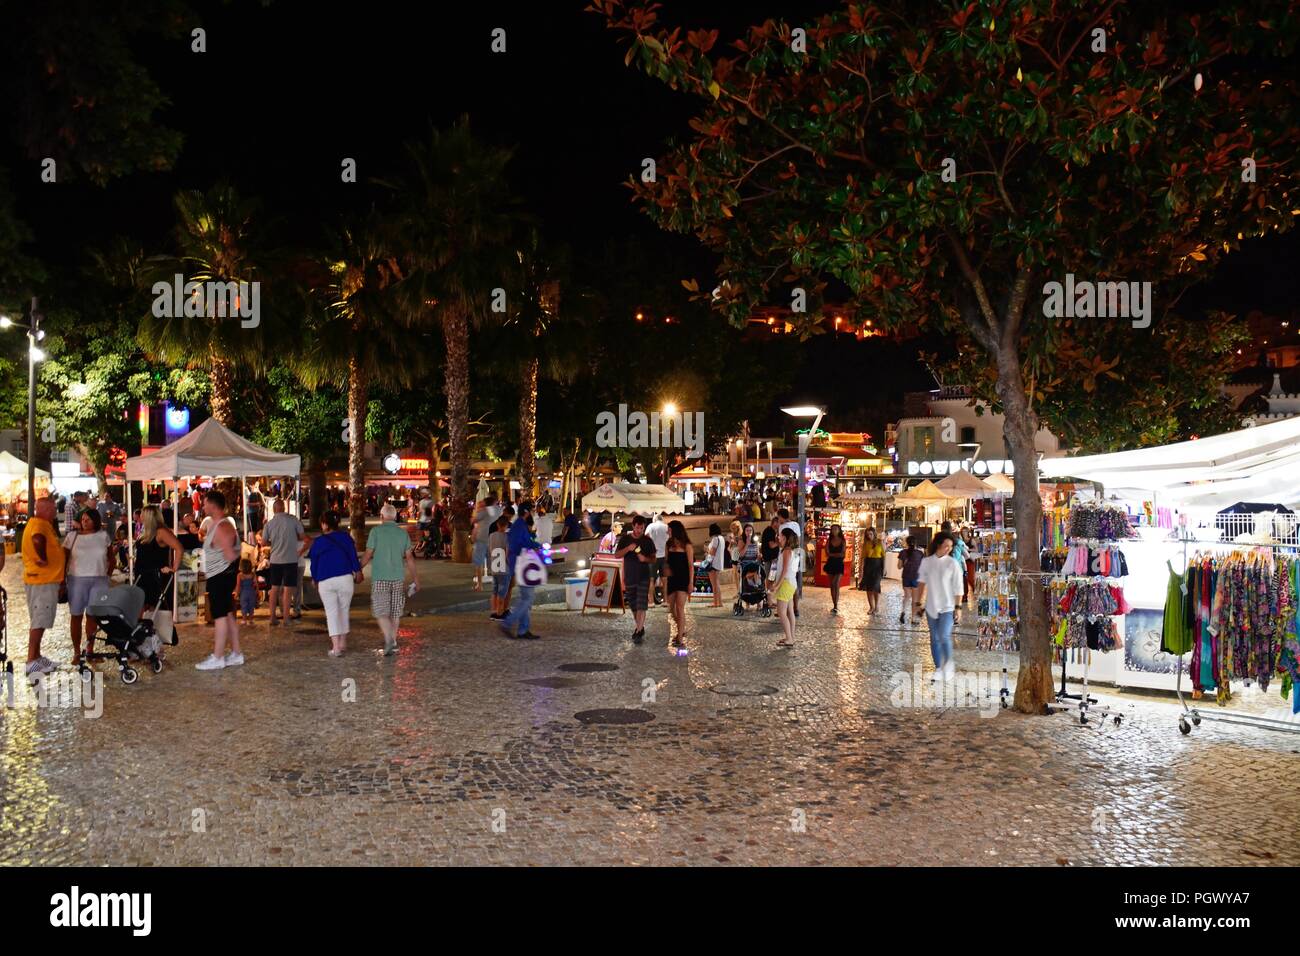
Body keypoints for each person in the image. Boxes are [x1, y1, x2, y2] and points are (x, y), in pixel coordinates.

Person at [361, 503, 418, 656]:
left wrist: (357, 568)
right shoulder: (402, 534)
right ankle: (392, 640)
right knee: (395, 612)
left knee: (381, 611)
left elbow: (367, 555)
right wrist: (415, 579)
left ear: (381, 517)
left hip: (380, 577)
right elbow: (410, 559)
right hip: (398, 577)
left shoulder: (376, 532)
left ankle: (388, 639)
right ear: (395, 517)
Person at [195, 491, 243, 671]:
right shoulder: (220, 525)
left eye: (205, 503)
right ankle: (237, 653)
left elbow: (231, 554)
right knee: (228, 614)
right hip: (221, 576)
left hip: (220, 577)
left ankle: (218, 656)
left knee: (220, 616)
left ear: (213, 505)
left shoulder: (222, 527)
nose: (203, 506)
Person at [63, 507, 114, 667]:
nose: (85, 522)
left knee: (93, 616)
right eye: (83, 519)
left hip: (99, 580)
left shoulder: (103, 536)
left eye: (88, 519)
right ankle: (77, 652)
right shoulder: (72, 537)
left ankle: (90, 650)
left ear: (95, 521)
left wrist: (107, 575)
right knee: (76, 616)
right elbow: (63, 560)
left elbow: (111, 557)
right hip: (77, 580)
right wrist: (61, 580)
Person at [307, 510, 363, 657]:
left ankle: (336, 647)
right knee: (343, 610)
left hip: (326, 580)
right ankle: (343, 642)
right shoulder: (346, 538)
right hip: (345, 578)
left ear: (325, 524)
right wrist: (357, 571)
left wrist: (315, 578)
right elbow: (353, 557)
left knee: (331, 613)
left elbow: (314, 563)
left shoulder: (319, 542)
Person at [21, 496, 64, 681]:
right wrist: (43, 557)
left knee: (41, 618)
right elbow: (37, 539)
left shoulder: (42, 523)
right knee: (39, 620)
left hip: (45, 580)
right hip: (42, 581)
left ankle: (37, 657)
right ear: (44, 509)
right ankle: (31, 659)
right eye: (53, 508)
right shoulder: (39, 525)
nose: (55, 511)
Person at [916, 532, 964, 681]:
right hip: (932, 606)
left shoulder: (953, 563)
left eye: (950, 547)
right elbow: (921, 583)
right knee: (934, 638)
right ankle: (938, 667)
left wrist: (958, 607)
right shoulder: (927, 562)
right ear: (938, 545)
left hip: (948, 607)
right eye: (946, 546)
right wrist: (918, 603)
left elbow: (958, 587)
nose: (948, 549)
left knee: (943, 635)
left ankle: (948, 664)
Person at [261, 498, 307, 628]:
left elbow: (263, 543)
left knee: (274, 589)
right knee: (288, 590)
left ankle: (272, 618)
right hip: (291, 559)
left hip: (275, 560)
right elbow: (303, 537)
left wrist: (273, 543)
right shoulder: (293, 520)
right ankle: (286, 618)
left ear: (274, 509)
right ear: (284, 508)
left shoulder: (269, 524)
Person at [498, 500, 541, 640]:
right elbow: (520, 543)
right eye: (532, 510)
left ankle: (523, 629)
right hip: (521, 563)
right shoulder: (519, 525)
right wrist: (536, 544)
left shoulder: (520, 525)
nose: (533, 513)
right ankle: (508, 623)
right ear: (526, 512)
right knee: (528, 598)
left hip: (522, 562)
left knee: (525, 598)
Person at [615, 515, 656, 643]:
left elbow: (653, 558)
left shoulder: (647, 541)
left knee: (641, 605)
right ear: (633, 526)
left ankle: (638, 631)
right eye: (637, 528)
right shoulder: (625, 539)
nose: (639, 531)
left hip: (643, 577)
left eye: (642, 528)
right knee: (633, 606)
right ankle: (640, 626)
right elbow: (617, 555)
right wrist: (628, 549)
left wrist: (645, 559)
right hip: (630, 577)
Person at [135, 505, 183, 614]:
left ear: (148, 516)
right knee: (142, 606)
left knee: (156, 607)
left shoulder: (161, 531)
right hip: (142, 574)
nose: (140, 516)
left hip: (156, 575)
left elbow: (179, 548)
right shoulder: (145, 531)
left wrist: (174, 568)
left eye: (143, 513)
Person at [664, 520, 694, 650]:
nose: (667, 532)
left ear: (675, 530)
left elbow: (690, 566)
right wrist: (665, 572)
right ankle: (681, 629)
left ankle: (679, 638)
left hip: (683, 579)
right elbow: (665, 561)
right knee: (671, 609)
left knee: (680, 608)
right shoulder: (668, 544)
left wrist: (691, 582)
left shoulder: (687, 545)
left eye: (669, 530)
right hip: (672, 579)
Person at [769, 528, 800, 648]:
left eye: (780, 536)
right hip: (791, 583)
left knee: (782, 612)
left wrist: (776, 586)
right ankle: (791, 636)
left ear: (785, 538)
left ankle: (789, 638)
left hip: (786, 583)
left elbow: (784, 570)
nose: (778, 537)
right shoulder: (790, 550)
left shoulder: (786, 551)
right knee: (789, 611)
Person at [470, 495, 500, 592]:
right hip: (494, 538)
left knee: (479, 562)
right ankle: (498, 584)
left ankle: (480, 585)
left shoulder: (483, 511)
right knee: (495, 561)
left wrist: (477, 511)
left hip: (482, 538)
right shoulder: (498, 510)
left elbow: (473, 520)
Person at [778, 508, 803, 616]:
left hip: (786, 553)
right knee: (793, 578)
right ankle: (795, 608)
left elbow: (780, 543)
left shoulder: (782, 527)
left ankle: (784, 607)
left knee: (785, 575)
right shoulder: (796, 525)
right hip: (795, 554)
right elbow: (798, 539)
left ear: (781, 517)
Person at [897, 535, 925, 625]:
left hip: (906, 577)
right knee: (915, 599)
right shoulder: (920, 553)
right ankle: (913, 619)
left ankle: (903, 611)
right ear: (916, 543)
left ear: (906, 543)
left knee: (907, 596)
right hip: (916, 577)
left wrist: (905, 563)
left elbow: (899, 567)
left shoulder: (902, 552)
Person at [488, 515, 511, 619]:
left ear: (497, 524)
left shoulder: (491, 536)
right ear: (506, 526)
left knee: (494, 591)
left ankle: (493, 611)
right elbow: (507, 553)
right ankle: (500, 613)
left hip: (494, 567)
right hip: (503, 568)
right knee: (502, 592)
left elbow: (489, 550)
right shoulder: (507, 537)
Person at [858, 526, 885, 614]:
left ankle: (876, 607)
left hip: (877, 566)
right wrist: (861, 569)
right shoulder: (865, 544)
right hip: (868, 565)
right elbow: (862, 557)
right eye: (867, 534)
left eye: (871, 534)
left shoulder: (880, 543)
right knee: (869, 588)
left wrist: (884, 568)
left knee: (876, 587)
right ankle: (871, 607)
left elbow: (884, 557)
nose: (869, 536)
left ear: (874, 534)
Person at [645, 511, 670, 606]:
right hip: (663, 557)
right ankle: (665, 601)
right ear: (662, 519)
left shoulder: (650, 526)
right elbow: (669, 542)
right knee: (665, 580)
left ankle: (651, 602)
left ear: (654, 520)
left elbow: (646, 538)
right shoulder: (666, 527)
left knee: (651, 580)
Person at [824, 523, 847, 615]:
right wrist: (836, 555)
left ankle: (836, 604)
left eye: (836, 529)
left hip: (839, 564)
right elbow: (827, 553)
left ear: (839, 530)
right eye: (832, 529)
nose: (834, 531)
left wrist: (833, 555)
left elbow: (843, 554)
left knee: (836, 583)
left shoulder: (842, 541)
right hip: (830, 563)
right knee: (832, 585)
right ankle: (834, 605)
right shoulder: (829, 540)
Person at [705, 522, 727, 607]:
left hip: (713, 563)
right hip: (719, 563)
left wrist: (707, 549)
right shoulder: (721, 538)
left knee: (714, 584)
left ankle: (715, 602)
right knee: (717, 583)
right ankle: (720, 602)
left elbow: (712, 552)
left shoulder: (715, 539)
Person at [237, 558, 258, 624]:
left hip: (243, 593)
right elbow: (256, 584)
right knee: (251, 605)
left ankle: (244, 620)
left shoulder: (240, 575)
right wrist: (257, 591)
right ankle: (251, 619)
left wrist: (237, 593)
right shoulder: (253, 574)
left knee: (244, 606)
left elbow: (238, 585)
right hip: (252, 592)